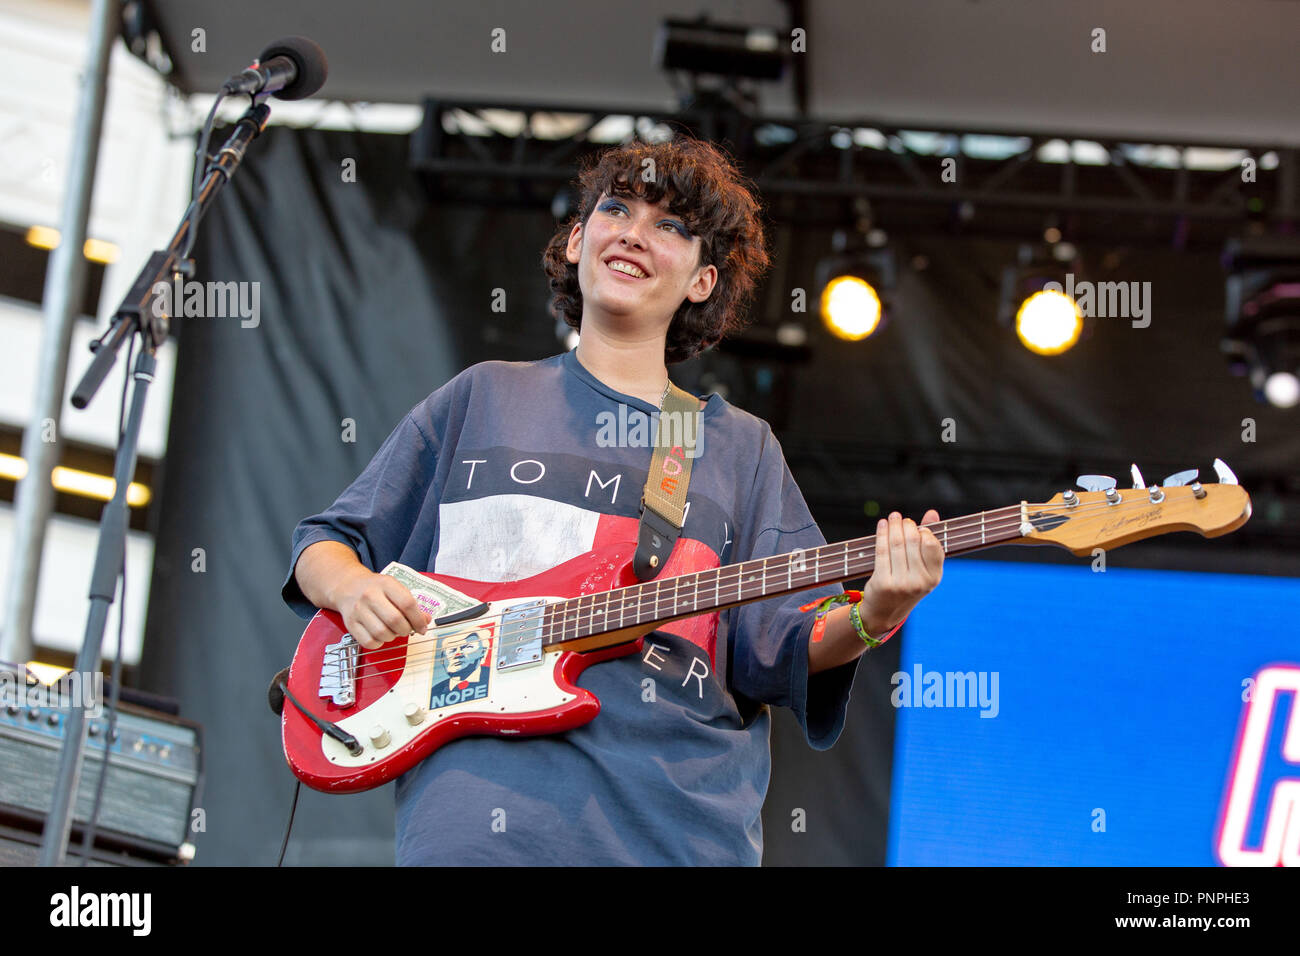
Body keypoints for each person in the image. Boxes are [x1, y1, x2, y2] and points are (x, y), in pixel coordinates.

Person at [282, 135, 945, 865]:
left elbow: (783, 645)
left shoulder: (734, 447)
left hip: (672, 831)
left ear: (702, 281)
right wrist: (353, 590)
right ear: (576, 240)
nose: (634, 232)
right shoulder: (482, 398)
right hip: (474, 830)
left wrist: (877, 612)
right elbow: (325, 544)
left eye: (672, 227)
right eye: (618, 209)